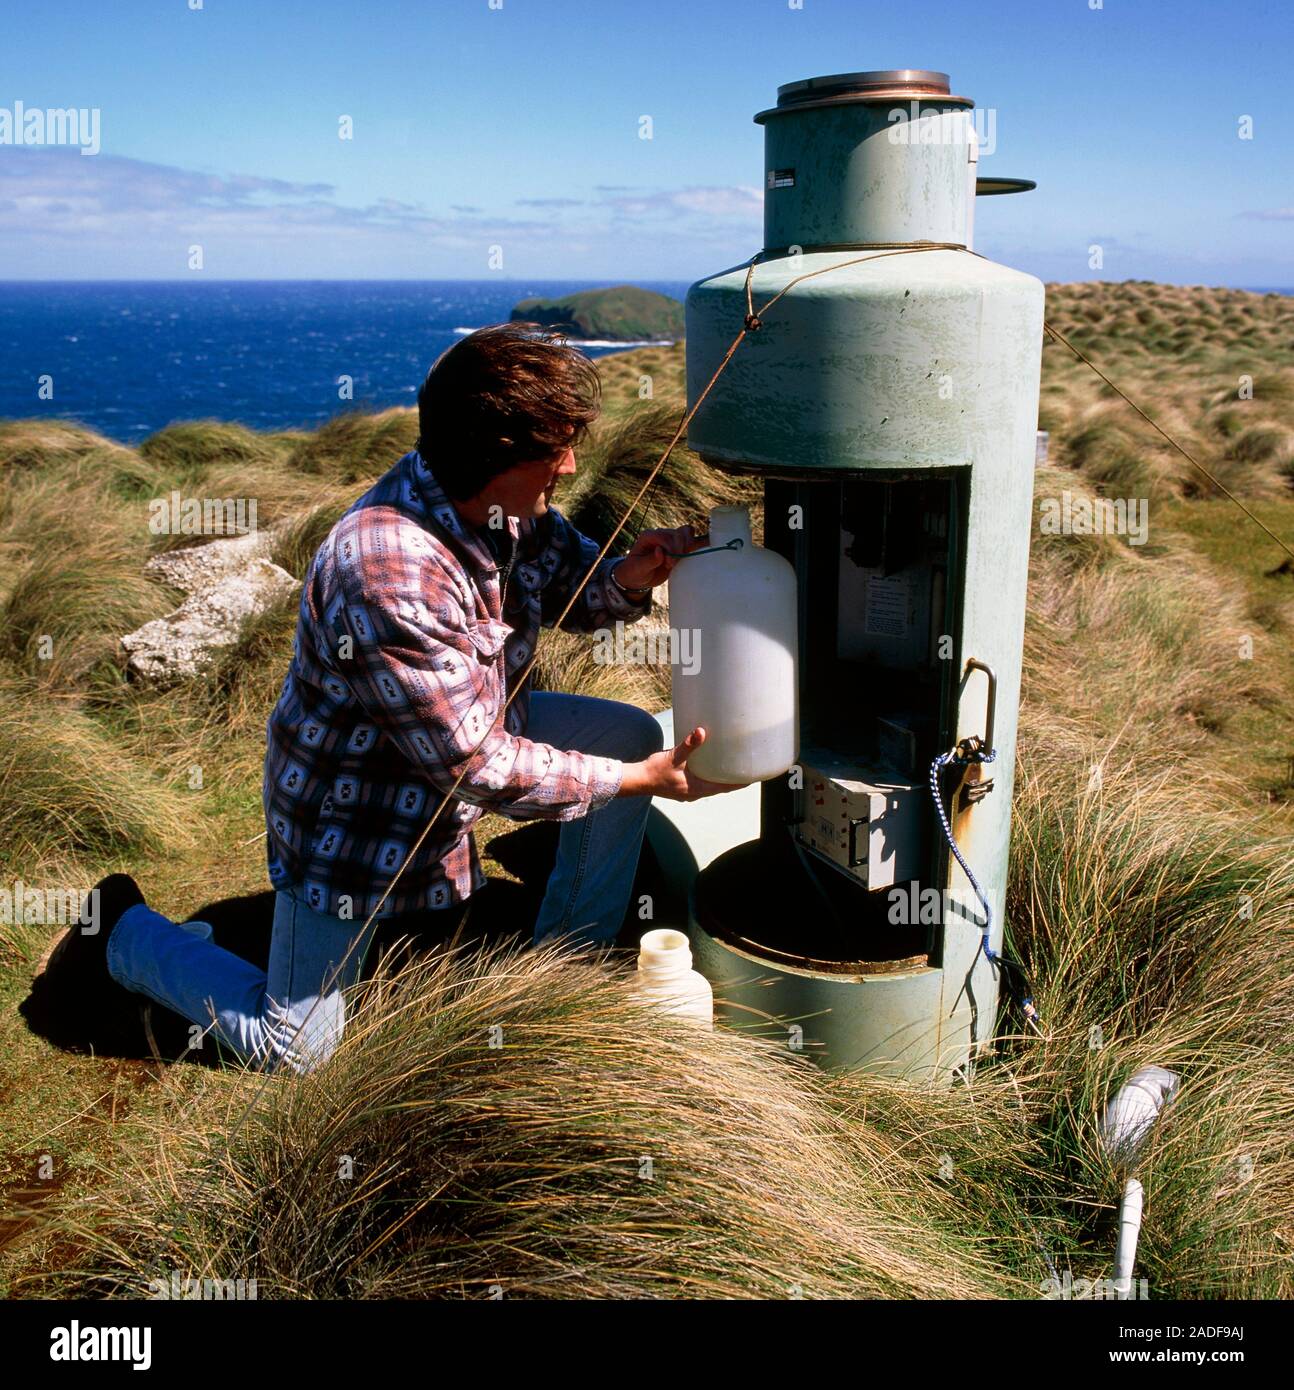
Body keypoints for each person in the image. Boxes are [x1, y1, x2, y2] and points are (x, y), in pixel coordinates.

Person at [37, 324, 746, 1074]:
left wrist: (633, 577)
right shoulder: (389, 571)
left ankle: (562, 962)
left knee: (628, 734)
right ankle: (121, 931)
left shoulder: (502, 508)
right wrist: (646, 781)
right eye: (554, 449)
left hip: (469, 739)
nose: (570, 465)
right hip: (355, 816)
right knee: (297, 1054)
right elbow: (475, 763)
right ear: (491, 453)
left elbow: (575, 586)